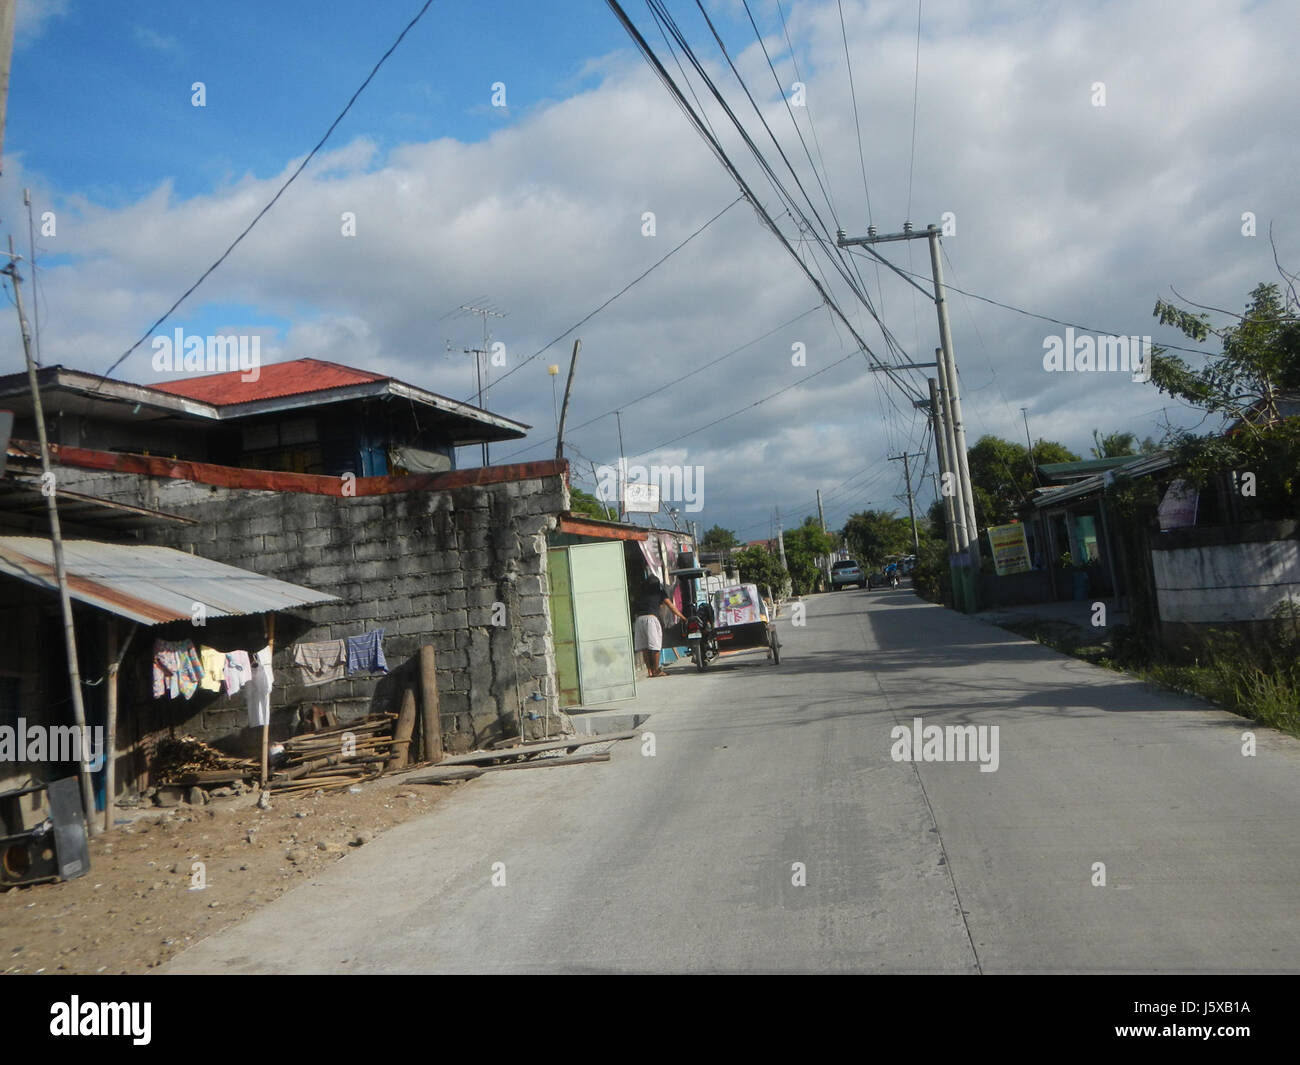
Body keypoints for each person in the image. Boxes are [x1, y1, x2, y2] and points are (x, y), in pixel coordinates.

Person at [633, 571, 687, 678]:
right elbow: (671, 606)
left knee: (645, 648)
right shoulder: (659, 592)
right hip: (651, 619)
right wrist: (683, 618)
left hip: (639, 620)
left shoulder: (641, 593)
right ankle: (656, 670)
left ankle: (650, 671)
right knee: (655, 647)